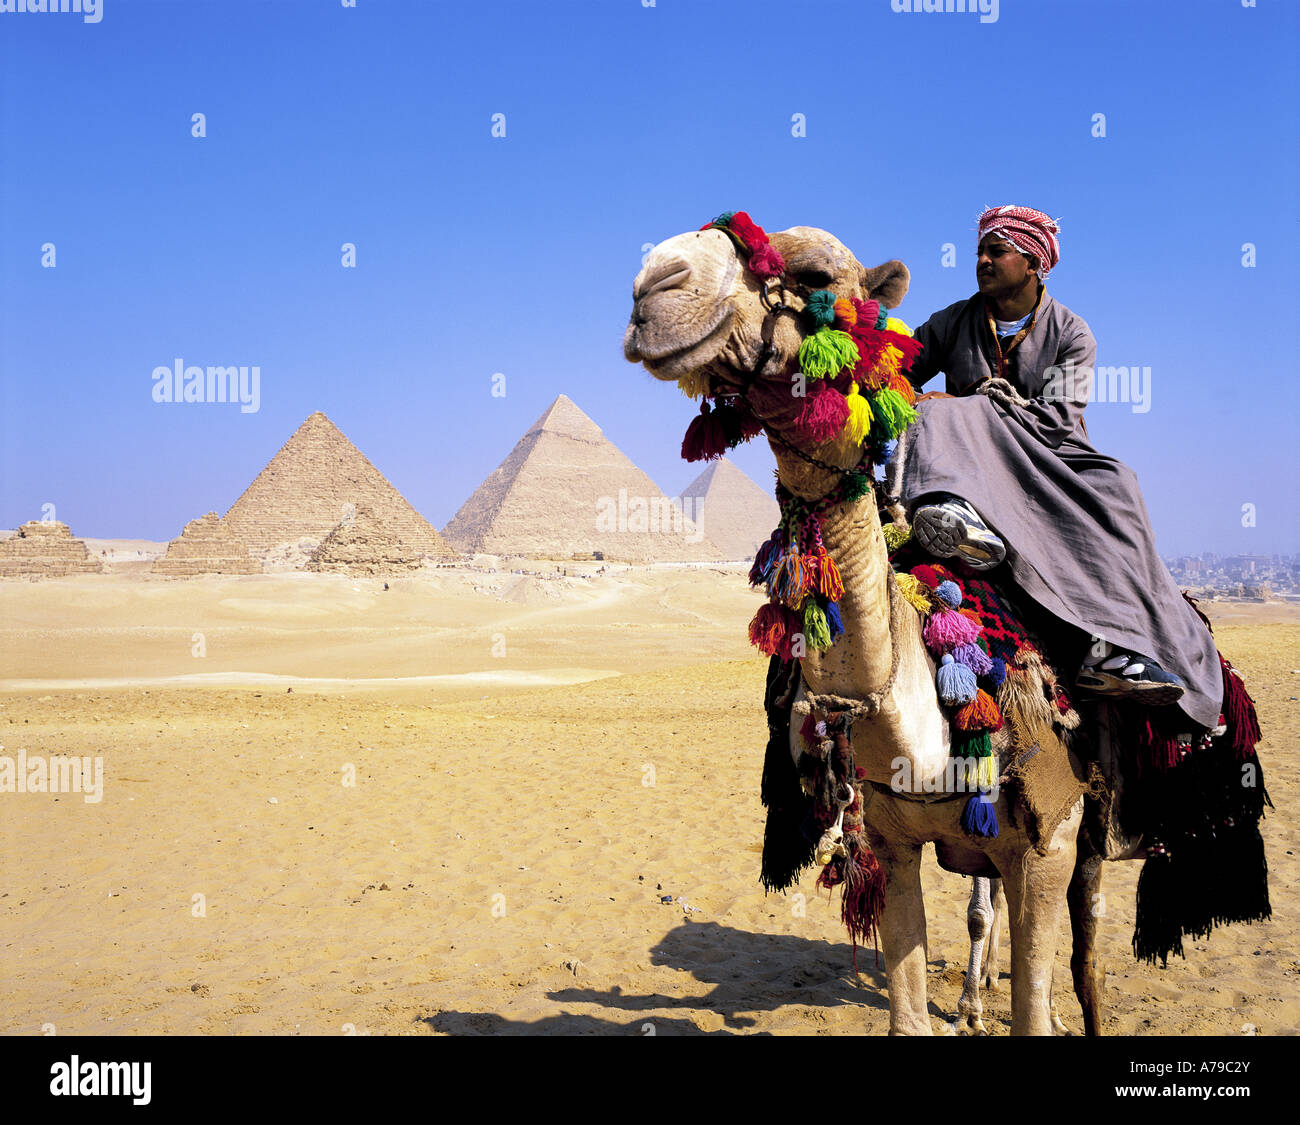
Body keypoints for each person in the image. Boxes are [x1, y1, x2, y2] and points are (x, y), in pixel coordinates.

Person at [899, 205, 1221, 730]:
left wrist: (985, 405)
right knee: (934, 408)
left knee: (1119, 486)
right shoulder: (951, 322)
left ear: (1033, 263)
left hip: (1049, 460)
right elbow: (897, 366)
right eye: (979, 250)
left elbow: (1058, 420)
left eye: (995, 251)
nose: (981, 260)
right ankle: (954, 519)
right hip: (965, 460)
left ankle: (1113, 646)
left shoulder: (1072, 332)